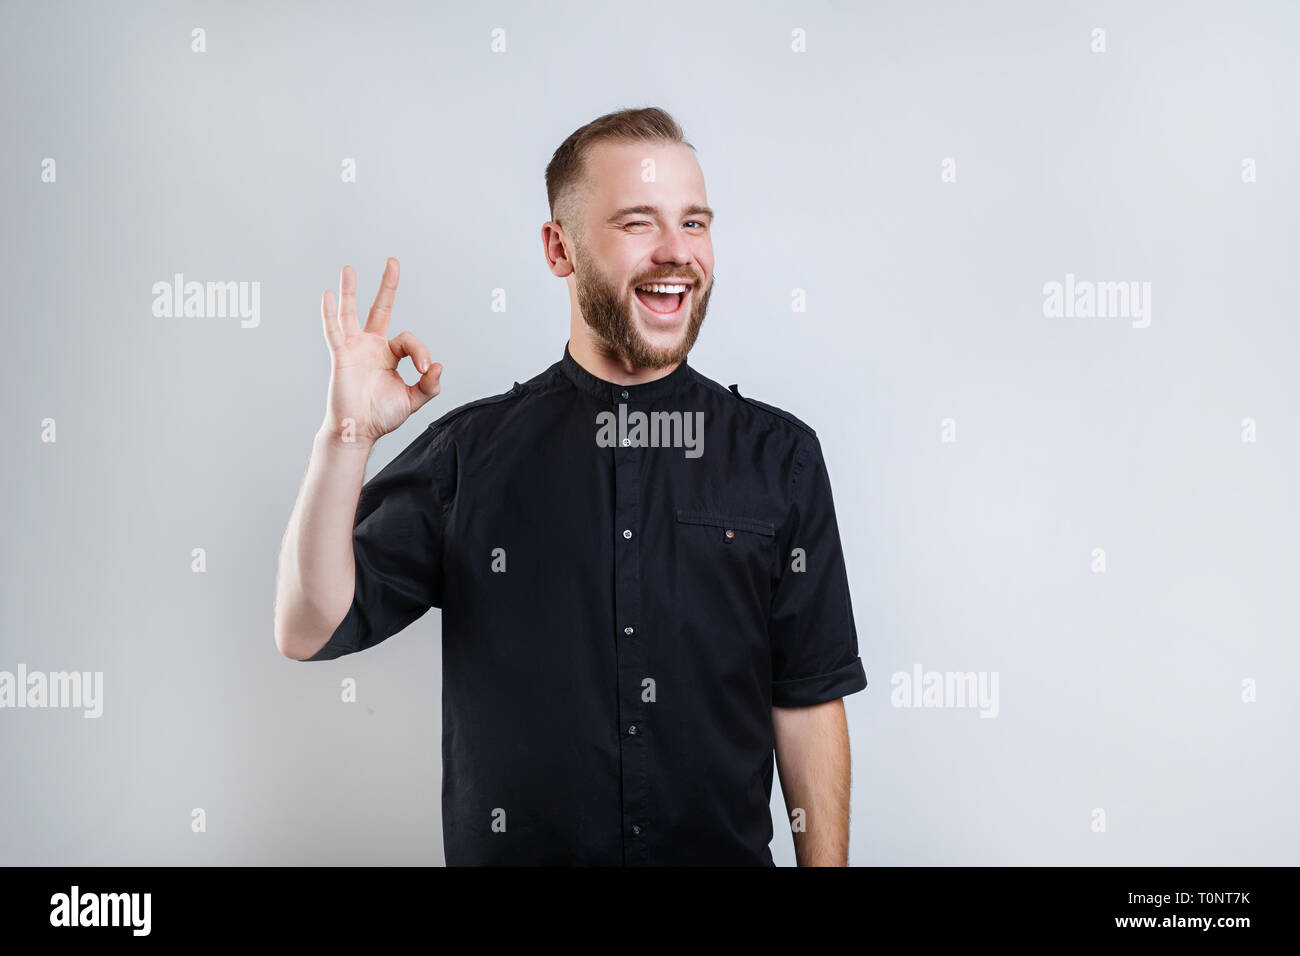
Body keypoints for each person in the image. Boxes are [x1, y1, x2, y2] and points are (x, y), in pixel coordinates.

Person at [273, 106, 868, 866]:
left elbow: (809, 700)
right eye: (637, 224)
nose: (675, 253)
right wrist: (344, 441)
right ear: (560, 249)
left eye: (694, 223)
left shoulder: (779, 458)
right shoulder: (471, 456)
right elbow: (306, 627)